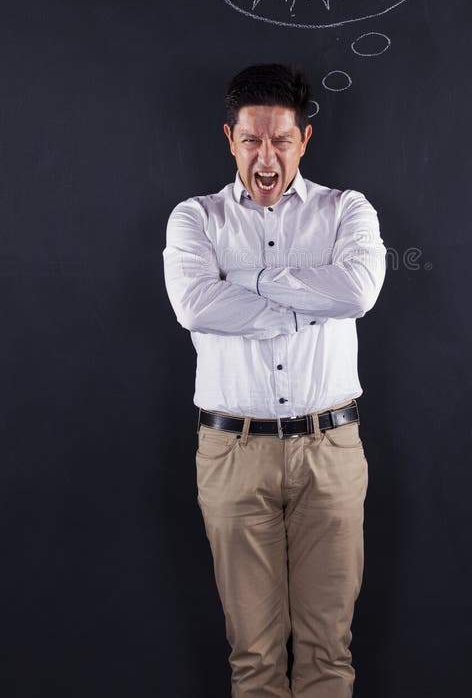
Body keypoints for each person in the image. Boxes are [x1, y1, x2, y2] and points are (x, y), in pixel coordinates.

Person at [162, 63, 386, 697]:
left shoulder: (346, 210)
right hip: (232, 453)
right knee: (254, 659)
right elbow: (195, 306)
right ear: (229, 139)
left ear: (304, 140)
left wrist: (249, 281)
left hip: (330, 449)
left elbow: (357, 292)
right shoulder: (196, 219)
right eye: (252, 140)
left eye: (281, 140)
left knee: (328, 653)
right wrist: (307, 302)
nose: (266, 157)